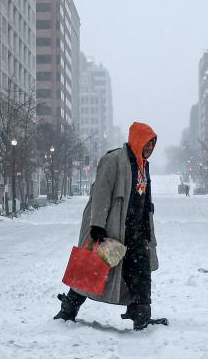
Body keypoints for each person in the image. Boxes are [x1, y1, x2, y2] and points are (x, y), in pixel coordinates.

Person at [55, 122, 163, 330]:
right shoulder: (114, 160)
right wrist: (97, 225)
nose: (150, 148)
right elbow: (101, 193)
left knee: (141, 273)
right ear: (137, 140)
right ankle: (68, 309)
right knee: (93, 268)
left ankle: (142, 316)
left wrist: (148, 230)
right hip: (113, 228)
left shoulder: (143, 166)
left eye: (153, 145)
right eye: (147, 143)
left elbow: (144, 199)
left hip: (137, 231)